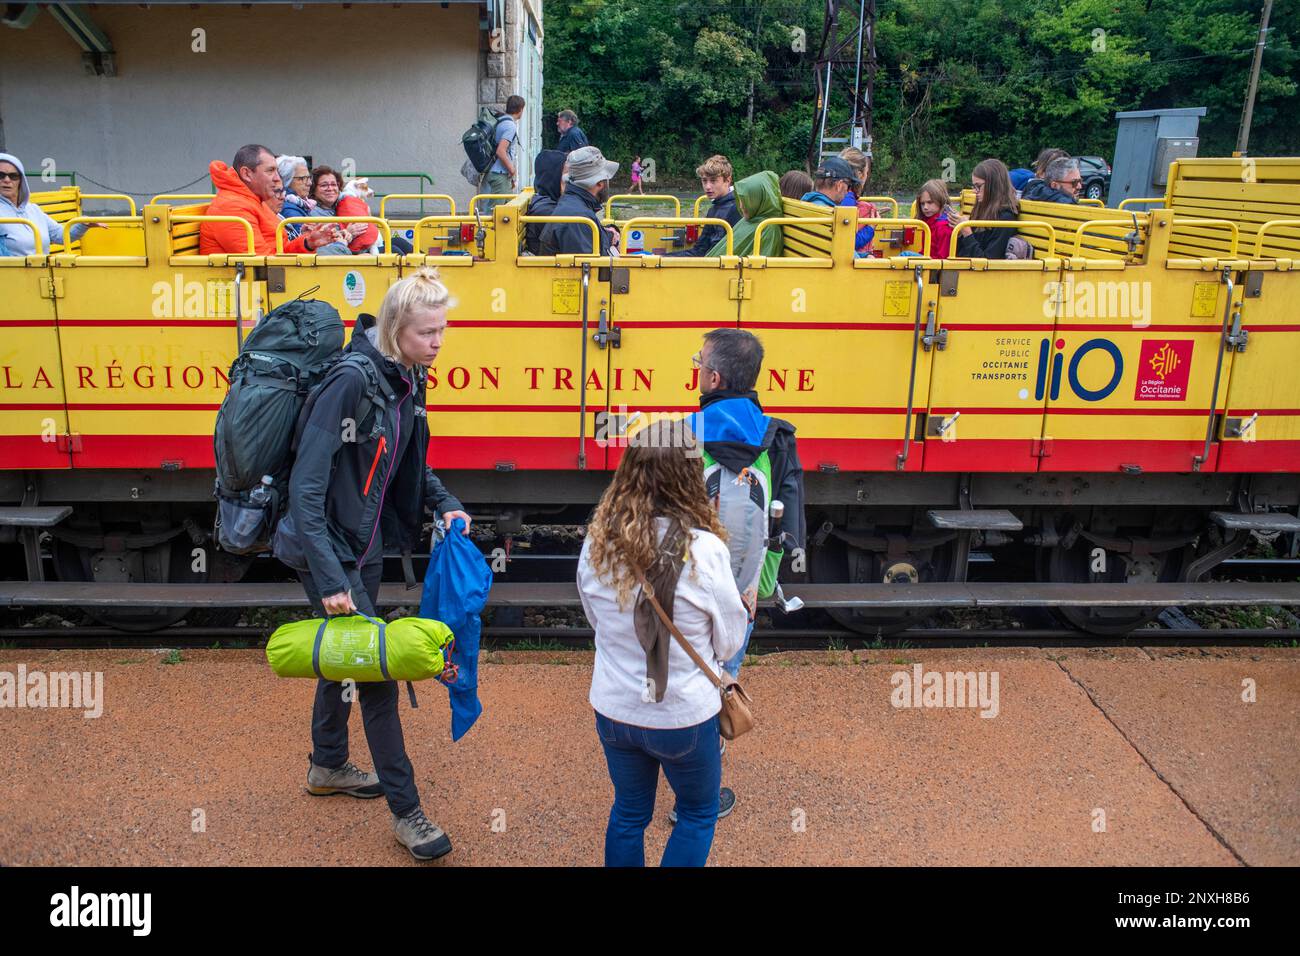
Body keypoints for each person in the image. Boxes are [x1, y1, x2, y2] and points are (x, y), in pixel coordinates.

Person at [271, 267, 472, 863]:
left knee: (345, 660)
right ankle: (408, 814)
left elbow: (407, 465)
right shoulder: (350, 382)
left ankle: (328, 766)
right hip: (328, 551)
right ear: (394, 328)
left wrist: (447, 503)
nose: (439, 342)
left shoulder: (407, 378)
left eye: (442, 330)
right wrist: (332, 580)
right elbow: (306, 488)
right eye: (427, 332)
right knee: (377, 675)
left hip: (363, 547)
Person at [578, 435, 748, 867]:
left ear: (627, 475)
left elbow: (595, 621)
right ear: (691, 479)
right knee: (696, 813)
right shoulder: (706, 551)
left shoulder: (599, 544)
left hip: (615, 709)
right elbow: (727, 645)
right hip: (681, 715)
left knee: (629, 814)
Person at [680, 327, 805, 823]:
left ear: (713, 377)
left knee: (684, 675)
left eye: (699, 366)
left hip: (687, 588)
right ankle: (702, 794)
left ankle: (667, 770)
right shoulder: (779, 437)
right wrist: (761, 587)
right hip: (745, 589)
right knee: (722, 679)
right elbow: (788, 524)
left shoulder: (683, 430)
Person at [200, 146, 343, 255]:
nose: (277, 178)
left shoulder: (253, 201)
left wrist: (308, 243)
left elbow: (277, 252)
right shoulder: (232, 208)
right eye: (270, 171)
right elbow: (262, 264)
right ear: (247, 174)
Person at [0, 152, 94, 255]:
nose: (7, 180)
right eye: (1, 175)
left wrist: (83, 224)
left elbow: (60, 236)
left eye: (13, 176)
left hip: (42, 269)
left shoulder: (33, 209)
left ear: (21, 180)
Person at [539, 145, 619, 256]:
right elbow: (587, 269)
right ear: (599, 183)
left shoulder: (574, 205)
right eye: (606, 178)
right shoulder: (578, 219)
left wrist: (608, 235)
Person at [668, 154, 740, 258]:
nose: (707, 187)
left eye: (713, 181)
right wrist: (660, 257)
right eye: (704, 181)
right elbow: (699, 250)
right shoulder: (714, 208)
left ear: (727, 181)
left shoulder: (736, 208)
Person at [949, 158, 1019, 259]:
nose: (974, 191)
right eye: (974, 186)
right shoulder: (982, 209)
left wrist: (967, 233)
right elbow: (962, 252)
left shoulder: (1006, 219)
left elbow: (986, 264)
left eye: (978, 186)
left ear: (993, 185)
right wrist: (960, 232)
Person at [707, 170, 783, 257]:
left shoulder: (768, 229)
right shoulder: (748, 220)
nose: (741, 206)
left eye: (747, 201)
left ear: (759, 201)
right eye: (740, 200)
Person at [480, 94, 525, 209]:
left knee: (510, 210)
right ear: (520, 109)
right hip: (499, 174)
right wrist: (512, 170)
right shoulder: (510, 126)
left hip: (496, 172)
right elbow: (501, 151)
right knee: (497, 215)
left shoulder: (500, 121)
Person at [523, 149, 566, 255]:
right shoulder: (546, 211)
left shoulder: (544, 202)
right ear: (554, 176)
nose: (570, 180)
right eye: (565, 174)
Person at [838, 147, 878, 255]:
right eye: (866, 173)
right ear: (860, 175)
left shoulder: (840, 195)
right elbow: (848, 242)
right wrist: (871, 227)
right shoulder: (848, 201)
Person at [276, 155, 316, 241]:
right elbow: (308, 242)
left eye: (309, 177)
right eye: (302, 178)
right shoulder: (288, 208)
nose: (309, 183)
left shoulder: (301, 204)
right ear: (285, 180)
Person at [916, 178, 954, 259]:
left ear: (941, 201)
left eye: (930, 202)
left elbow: (943, 258)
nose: (925, 207)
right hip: (928, 259)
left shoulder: (944, 226)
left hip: (934, 264)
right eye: (922, 204)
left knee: (905, 255)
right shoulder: (927, 222)